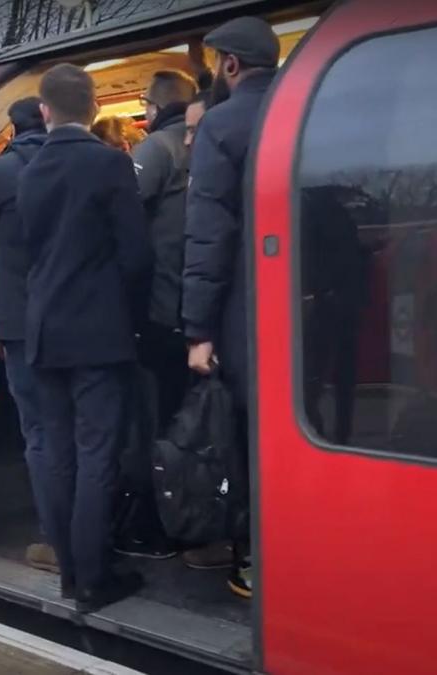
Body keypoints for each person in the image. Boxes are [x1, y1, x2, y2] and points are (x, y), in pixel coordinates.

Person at [15, 64, 153, 612]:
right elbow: (136, 254)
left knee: (58, 454)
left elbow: (32, 251)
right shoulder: (109, 163)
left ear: (44, 111)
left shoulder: (29, 171)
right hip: (98, 331)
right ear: (94, 107)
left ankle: (70, 574)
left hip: (43, 331)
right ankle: (96, 577)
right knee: (97, 452)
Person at [182, 16, 280, 599]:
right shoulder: (305, 111)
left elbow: (208, 235)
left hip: (247, 315)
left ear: (231, 65)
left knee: (244, 438)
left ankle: (256, 564)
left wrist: (198, 330)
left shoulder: (222, 124)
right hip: (309, 311)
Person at [0, 98, 61, 575]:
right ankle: (96, 533)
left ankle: (57, 539)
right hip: (86, 319)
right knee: (84, 430)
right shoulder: (93, 161)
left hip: (20, 321)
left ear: (13, 129)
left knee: (40, 432)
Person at [111, 70, 198, 561]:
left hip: (159, 311)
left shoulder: (157, 148)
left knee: (154, 423)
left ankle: (156, 525)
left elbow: (121, 212)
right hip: (197, 310)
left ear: (152, 106)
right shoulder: (202, 143)